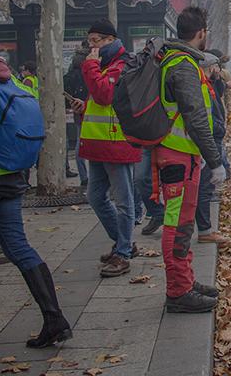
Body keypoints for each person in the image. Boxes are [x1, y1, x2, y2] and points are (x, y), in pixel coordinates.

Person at [0, 55, 73, 348]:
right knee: (18, 247)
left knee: (16, 246)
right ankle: (54, 319)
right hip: (13, 177)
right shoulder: (15, 82)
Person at [156, 6, 225, 313]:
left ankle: (185, 280)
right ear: (201, 33)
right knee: (177, 225)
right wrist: (215, 160)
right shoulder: (183, 65)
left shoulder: (178, 60)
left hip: (182, 154)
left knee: (183, 223)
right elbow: (196, 117)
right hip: (178, 156)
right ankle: (178, 291)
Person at [73, 18, 142, 277]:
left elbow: (105, 95)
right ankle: (124, 243)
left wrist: (90, 65)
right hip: (99, 143)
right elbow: (101, 102)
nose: (91, 46)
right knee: (95, 196)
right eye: (89, 41)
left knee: (123, 201)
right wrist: (84, 106)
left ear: (110, 40)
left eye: (96, 41)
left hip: (116, 143)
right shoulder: (104, 64)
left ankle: (123, 252)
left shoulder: (122, 64)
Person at [196, 52, 227, 245]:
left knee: (204, 186)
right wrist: (219, 127)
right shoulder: (203, 86)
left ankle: (204, 228)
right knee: (204, 187)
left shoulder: (209, 84)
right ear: (210, 67)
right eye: (216, 67)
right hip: (208, 140)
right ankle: (205, 230)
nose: (219, 70)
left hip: (211, 138)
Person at [63, 45, 89, 190]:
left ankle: (84, 177)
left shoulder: (70, 75)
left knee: (80, 145)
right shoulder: (90, 73)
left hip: (78, 114)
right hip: (94, 114)